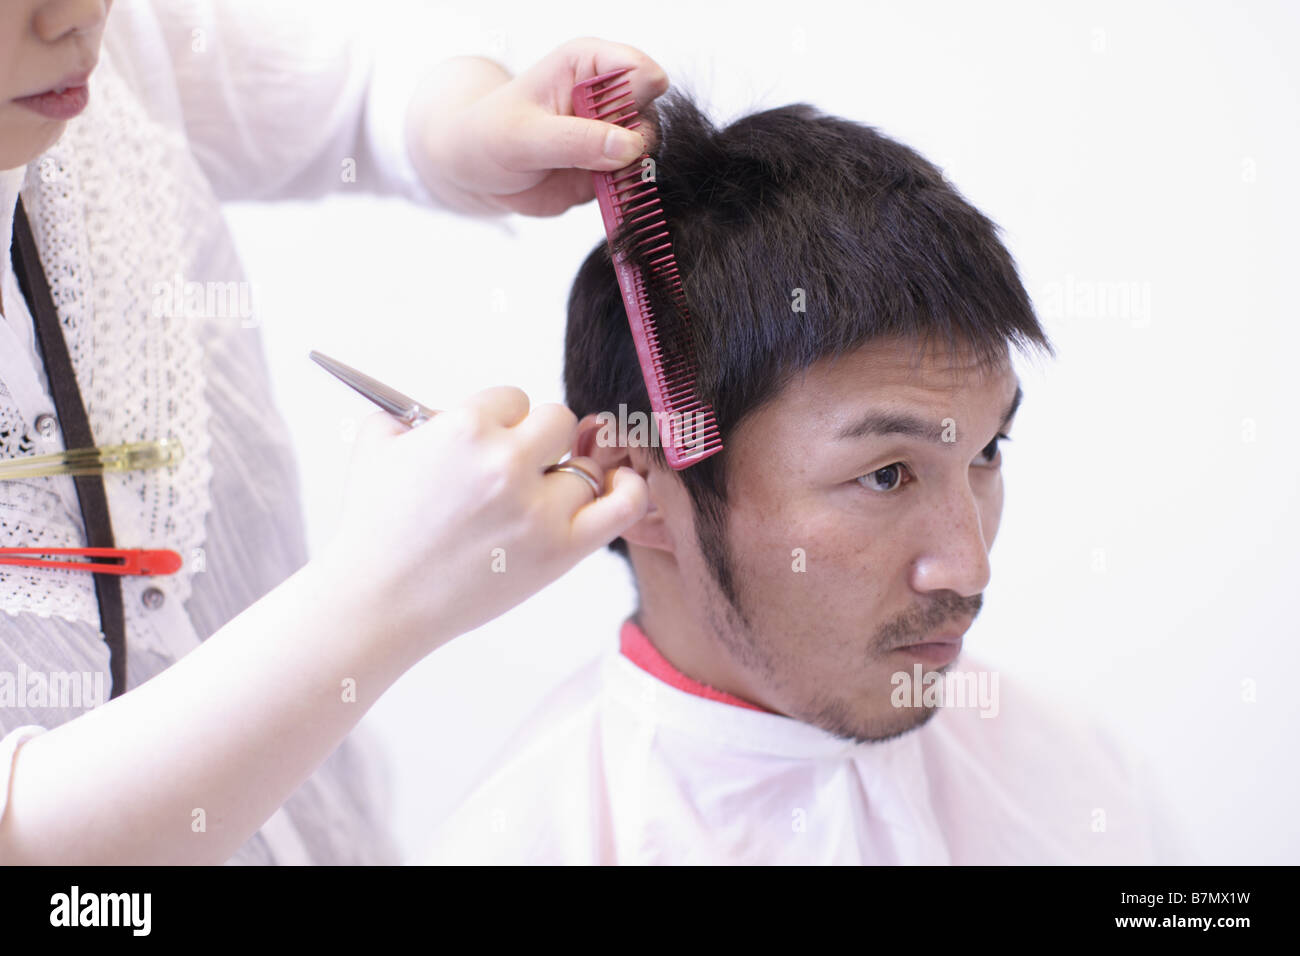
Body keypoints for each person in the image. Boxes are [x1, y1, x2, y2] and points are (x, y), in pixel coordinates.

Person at [423, 90, 1195, 864]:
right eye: (887, 475)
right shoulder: (525, 840)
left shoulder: (1084, 783)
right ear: (642, 484)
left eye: (986, 452)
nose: (968, 567)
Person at [0, 0, 655, 864]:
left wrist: (457, 128)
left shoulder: (106, 50)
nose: (83, 15)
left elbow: (357, 88)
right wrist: (381, 594)